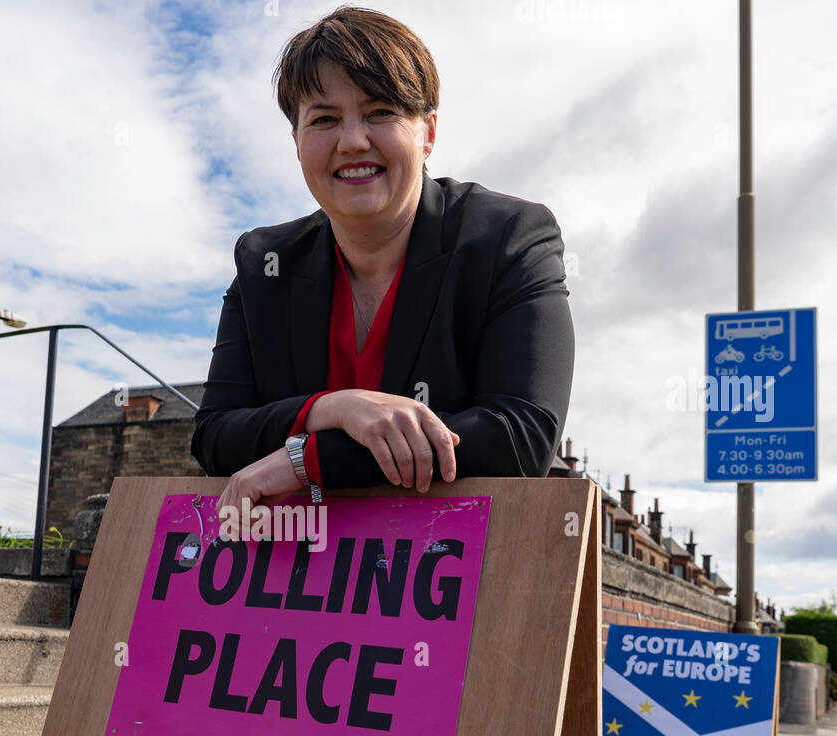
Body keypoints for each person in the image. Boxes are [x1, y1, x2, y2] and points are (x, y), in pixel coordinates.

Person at [192, 6, 575, 516]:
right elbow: (215, 435)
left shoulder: (510, 239)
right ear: (297, 142)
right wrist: (330, 409)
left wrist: (308, 457)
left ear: (428, 132)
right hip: (297, 581)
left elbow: (521, 436)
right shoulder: (265, 263)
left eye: (380, 113)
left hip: (461, 581)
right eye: (324, 119)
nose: (352, 141)